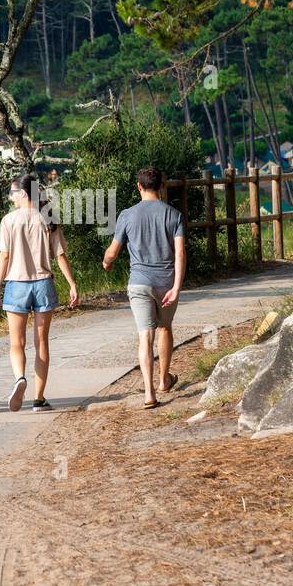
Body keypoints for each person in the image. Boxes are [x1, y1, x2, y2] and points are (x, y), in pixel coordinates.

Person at [0, 172, 78, 412]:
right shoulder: (48, 217)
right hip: (43, 284)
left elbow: (4, 256)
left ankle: (20, 377)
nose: (11, 198)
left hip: (16, 284)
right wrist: (72, 283)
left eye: (12, 193)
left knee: (16, 342)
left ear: (22, 193)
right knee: (41, 343)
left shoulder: (8, 221)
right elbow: (60, 255)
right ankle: (39, 399)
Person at [103, 166, 187, 409]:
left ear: (139, 186)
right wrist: (177, 287)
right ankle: (164, 380)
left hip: (139, 282)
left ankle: (149, 393)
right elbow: (180, 253)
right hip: (166, 282)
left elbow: (113, 251)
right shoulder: (174, 215)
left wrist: (107, 262)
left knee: (144, 337)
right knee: (164, 328)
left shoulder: (127, 215)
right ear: (161, 186)